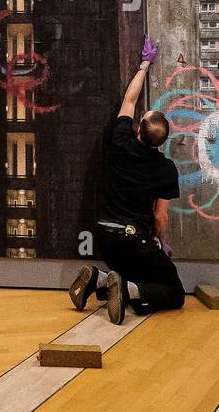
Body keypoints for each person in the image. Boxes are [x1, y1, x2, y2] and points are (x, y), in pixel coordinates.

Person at [67, 34, 185, 324]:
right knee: (174, 291)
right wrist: (160, 241)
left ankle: (100, 278)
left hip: (106, 240)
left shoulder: (120, 141)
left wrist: (145, 64)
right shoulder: (165, 169)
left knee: (136, 264)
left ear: (138, 128)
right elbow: (160, 217)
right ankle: (129, 290)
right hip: (134, 241)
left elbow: (129, 100)